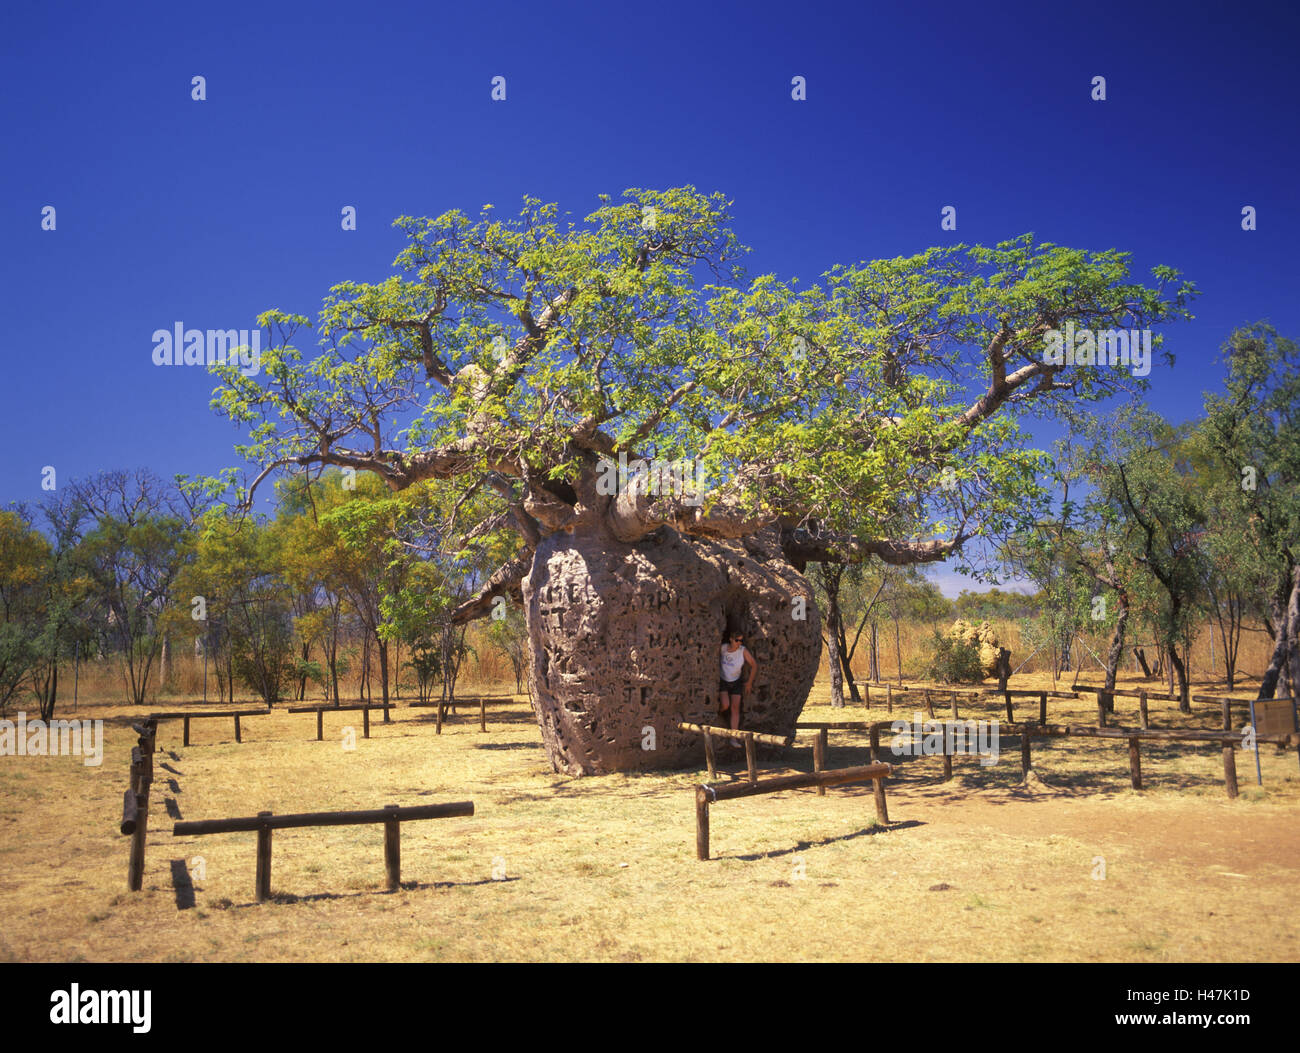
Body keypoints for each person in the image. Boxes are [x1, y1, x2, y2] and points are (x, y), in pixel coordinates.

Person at [719, 628, 756, 743]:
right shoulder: (723, 648)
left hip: (736, 682)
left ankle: (733, 737)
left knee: (735, 709)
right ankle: (719, 715)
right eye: (737, 640)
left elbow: (754, 665)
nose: (739, 643)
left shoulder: (742, 651)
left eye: (741, 641)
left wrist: (749, 682)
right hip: (724, 680)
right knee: (725, 705)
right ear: (731, 639)